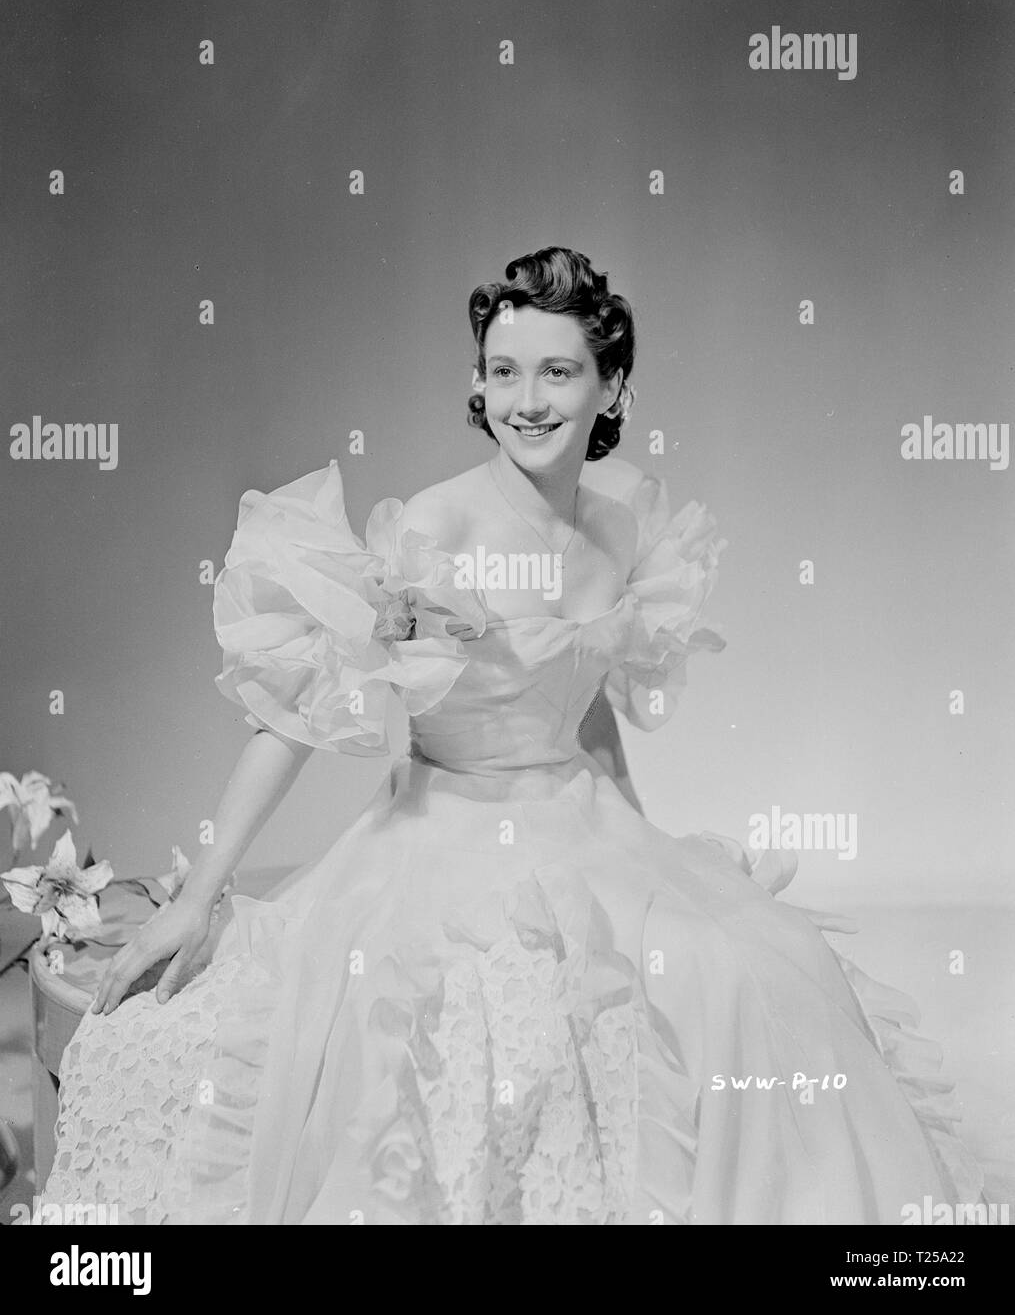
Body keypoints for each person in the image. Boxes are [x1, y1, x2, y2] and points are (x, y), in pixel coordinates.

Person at [40, 247, 985, 1224]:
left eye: (556, 371)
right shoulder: (438, 533)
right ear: (478, 382)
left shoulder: (619, 527)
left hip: (579, 820)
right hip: (437, 835)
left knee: (764, 966)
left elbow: (585, 696)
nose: (525, 401)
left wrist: (649, 856)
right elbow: (295, 713)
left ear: (611, 383)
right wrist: (200, 897)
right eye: (502, 372)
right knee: (464, 1035)